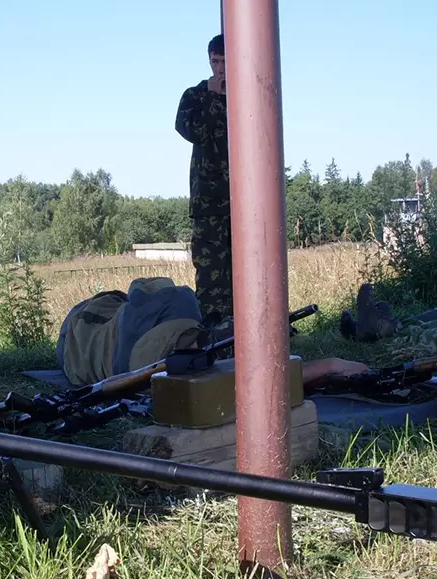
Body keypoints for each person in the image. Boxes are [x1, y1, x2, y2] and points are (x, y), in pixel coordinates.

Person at [56, 276, 369, 389]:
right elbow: (250, 383)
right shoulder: (157, 358)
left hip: (88, 331)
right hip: (78, 333)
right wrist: (327, 366)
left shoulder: (164, 323)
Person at [175, 33, 232, 324]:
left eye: (225, 61)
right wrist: (213, 97)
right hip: (209, 202)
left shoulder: (245, 95)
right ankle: (213, 330)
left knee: (245, 267)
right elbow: (193, 131)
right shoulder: (194, 96)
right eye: (215, 61)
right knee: (210, 272)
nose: (220, 68)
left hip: (243, 199)